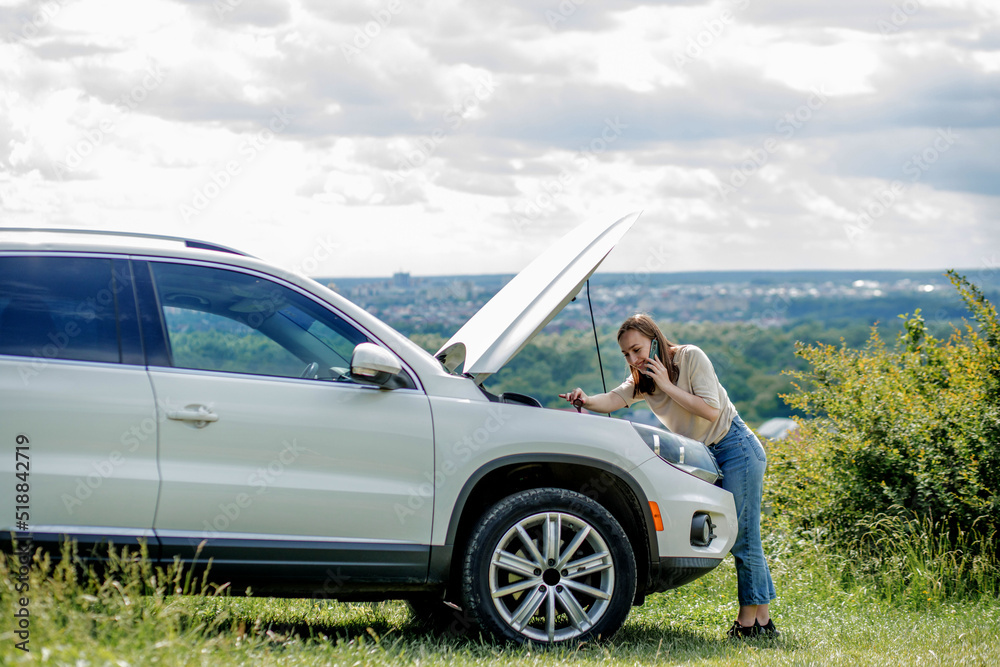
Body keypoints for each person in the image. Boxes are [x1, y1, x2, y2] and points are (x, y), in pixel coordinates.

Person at [559, 313, 778, 639]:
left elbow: (711, 410)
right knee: (743, 536)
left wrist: (665, 384)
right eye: (627, 355)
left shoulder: (690, 357)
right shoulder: (642, 379)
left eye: (637, 349)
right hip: (708, 455)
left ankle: (749, 622)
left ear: (653, 338)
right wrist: (586, 399)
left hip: (736, 448)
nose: (634, 358)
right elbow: (614, 399)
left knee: (742, 538)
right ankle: (763, 620)